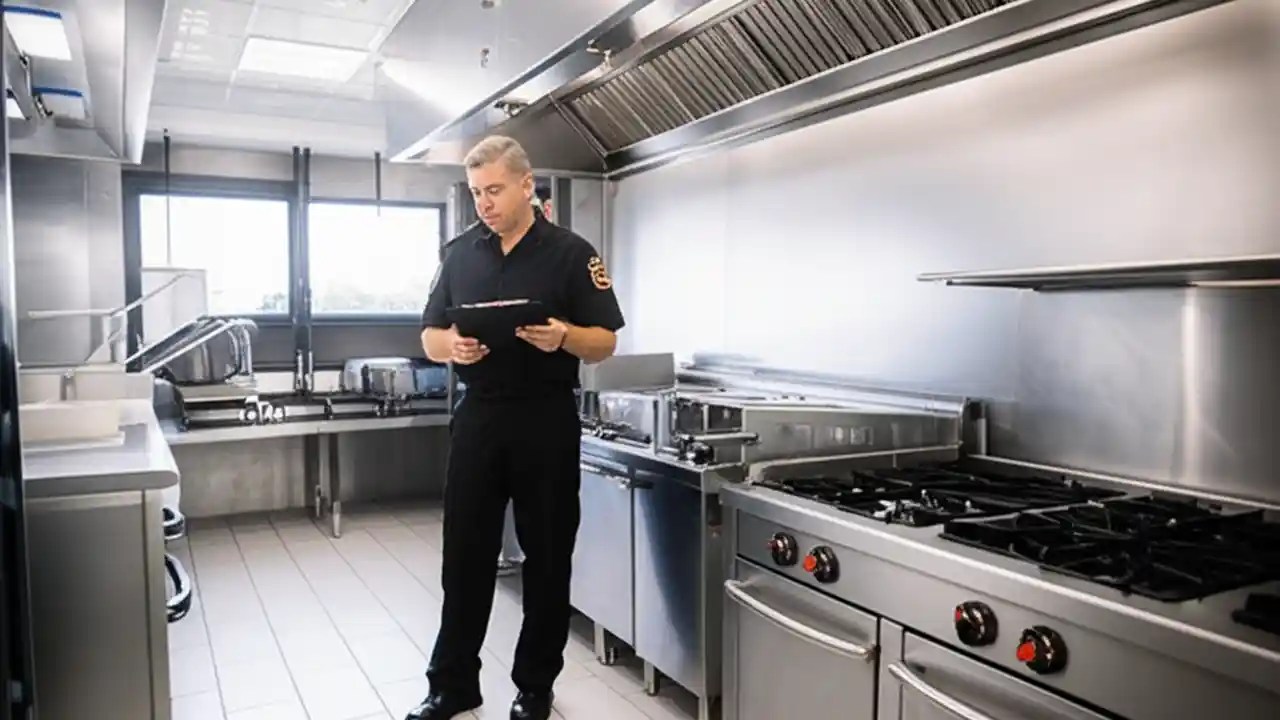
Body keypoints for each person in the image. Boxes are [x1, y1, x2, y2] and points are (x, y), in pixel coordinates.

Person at [409, 135, 624, 720]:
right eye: (478, 192)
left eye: (495, 190)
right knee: (465, 557)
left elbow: (604, 340)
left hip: (546, 417)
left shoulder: (572, 254)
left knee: (548, 557)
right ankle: (452, 685)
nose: (485, 203)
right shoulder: (458, 255)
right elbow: (428, 336)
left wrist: (564, 337)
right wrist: (450, 346)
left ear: (527, 186)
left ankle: (534, 688)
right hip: (479, 415)